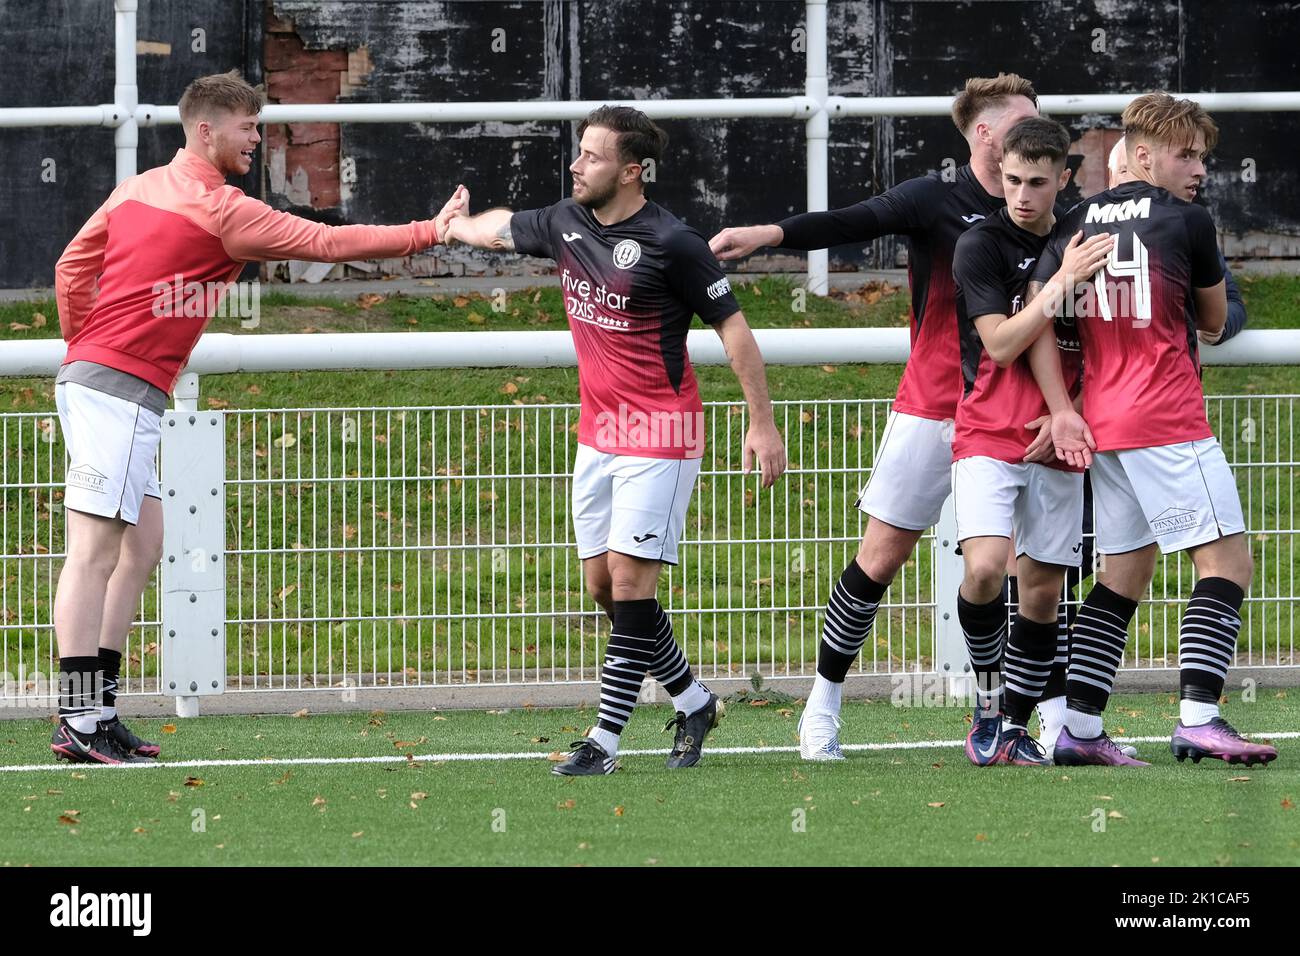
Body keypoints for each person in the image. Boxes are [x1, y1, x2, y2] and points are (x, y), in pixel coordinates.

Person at [50, 70, 464, 764]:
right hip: (115, 391)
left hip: (106, 386)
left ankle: (101, 707)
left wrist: (82, 352)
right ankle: (77, 717)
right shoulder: (224, 210)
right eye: (248, 128)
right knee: (94, 552)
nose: (257, 139)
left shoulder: (136, 187)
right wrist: (427, 231)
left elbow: (70, 268)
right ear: (207, 130)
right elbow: (328, 244)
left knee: (142, 543)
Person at [443, 105, 787, 775]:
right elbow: (500, 229)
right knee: (604, 586)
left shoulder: (673, 242)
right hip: (598, 435)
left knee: (631, 585)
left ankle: (604, 741)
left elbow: (735, 332)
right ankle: (694, 701)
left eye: (593, 156)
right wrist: (454, 223)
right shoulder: (565, 222)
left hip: (663, 434)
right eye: (579, 153)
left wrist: (763, 423)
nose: (577, 165)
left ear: (631, 172)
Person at [709, 73, 1039, 760]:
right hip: (933, 409)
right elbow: (848, 222)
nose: (1037, 137)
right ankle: (822, 704)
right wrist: (768, 232)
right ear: (984, 134)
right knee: (880, 558)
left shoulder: (1049, 208)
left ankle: (1018, 717)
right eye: (1022, 122)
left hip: (1018, 416)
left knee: (1025, 571)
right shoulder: (935, 199)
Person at [1029, 92, 1276, 766]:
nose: (1198, 169)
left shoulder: (1073, 221)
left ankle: (1079, 728)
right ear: (1142, 155)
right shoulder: (1187, 222)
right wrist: (1237, 312)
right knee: (1226, 560)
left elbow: (1040, 316)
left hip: (1103, 420)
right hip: (1166, 416)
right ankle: (1199, 716)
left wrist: (1060, 406)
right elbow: (1216, 321)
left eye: (1202, 156)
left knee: (1123, 573)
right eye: (1185, 154)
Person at [950, 117, 1114, 766]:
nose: (1021, 194)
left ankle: (1015, 724)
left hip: (1062, 437)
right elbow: (1001, 342)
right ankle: (988, 697)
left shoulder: (1089, 239)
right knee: (987, 570)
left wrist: (1067, 412)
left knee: (1044, 591)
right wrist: (1059, 285)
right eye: (1012, 179)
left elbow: (1111, 344)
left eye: (1037, 183)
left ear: (1064, 178)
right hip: (989, 431)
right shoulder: (980, 246)